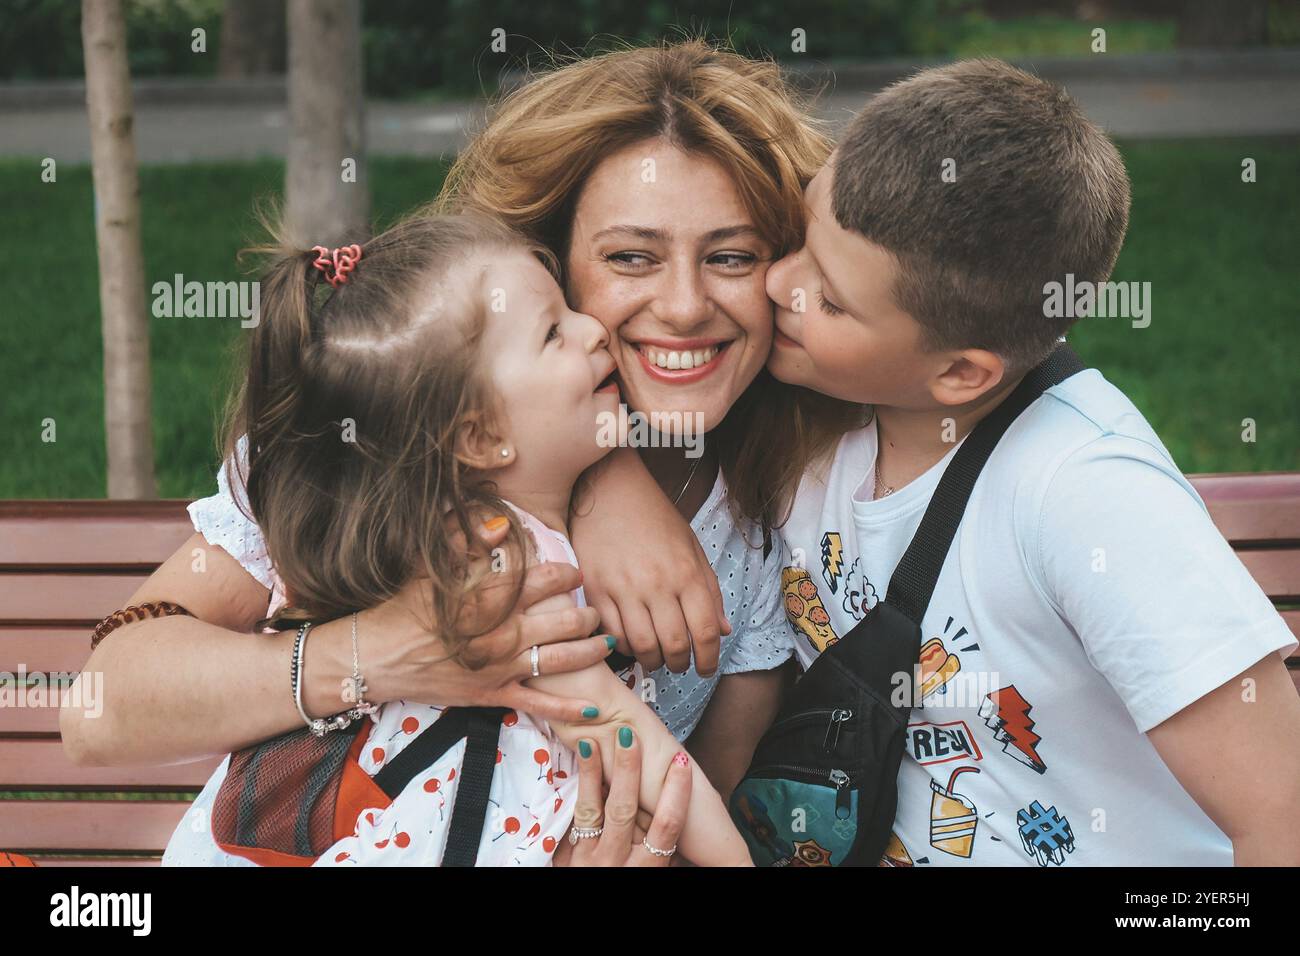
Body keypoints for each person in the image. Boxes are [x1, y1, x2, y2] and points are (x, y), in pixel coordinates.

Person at [62, 42, 857, 860]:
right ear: (549, 266)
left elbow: (694, 805)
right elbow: (101, 709)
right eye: (630, 257)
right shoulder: (379, 442)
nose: (686, 306)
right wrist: (380, 654)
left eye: (732, 256)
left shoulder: (780, 506)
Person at [749, 59, 1298, 865]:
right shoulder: (813, 412)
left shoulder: (1087, 493)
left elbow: (1280, 814)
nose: (775, 282)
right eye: (799, 240)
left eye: (829, 300)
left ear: (961, 374)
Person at [161, 212, 751, 866]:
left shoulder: (422, 523)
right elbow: (618, 727)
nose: (591, 329)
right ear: (480, 439)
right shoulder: (502, 562)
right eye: (554, 332)